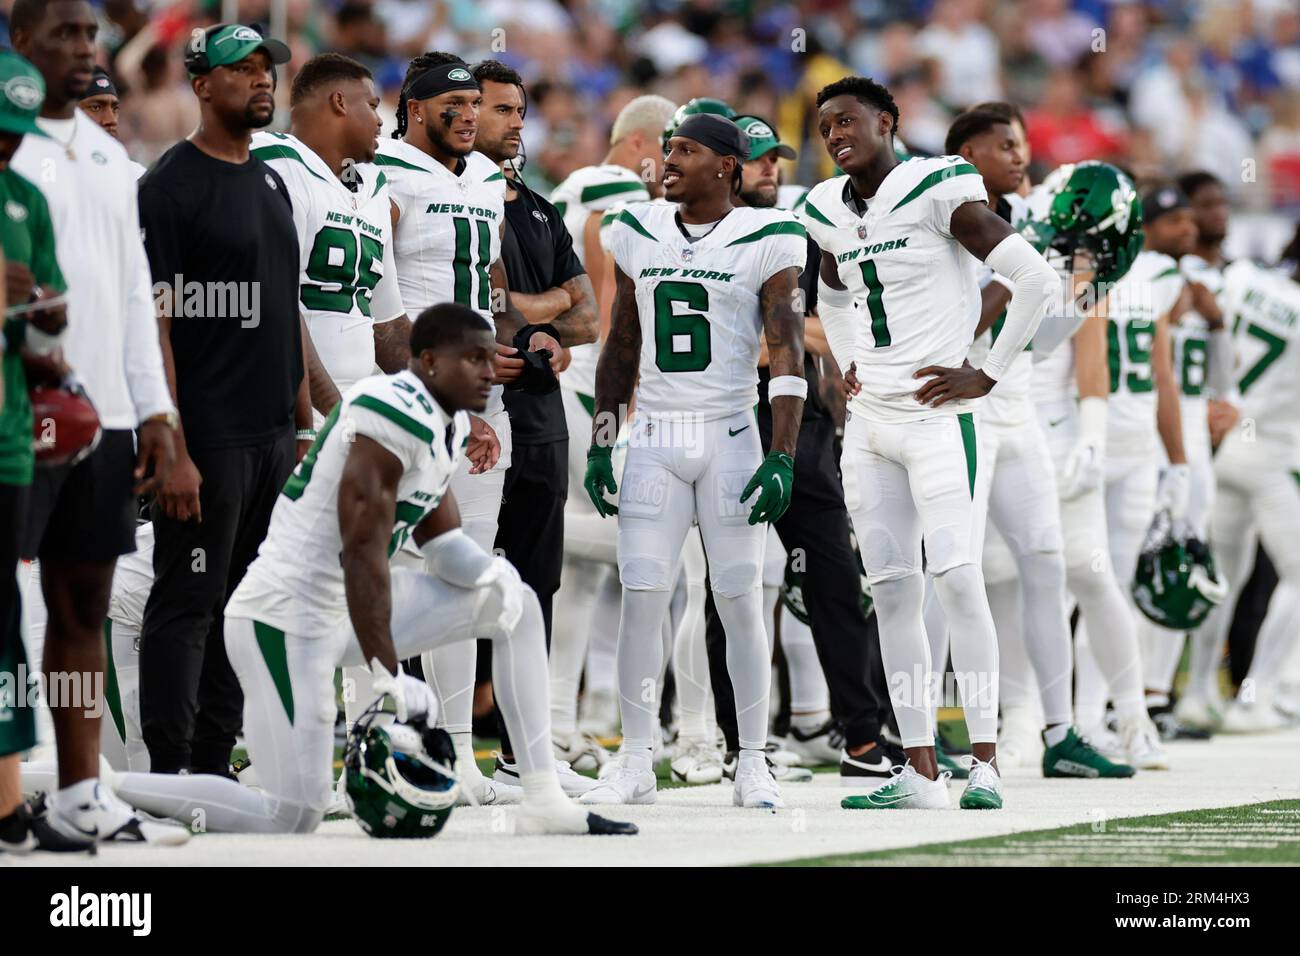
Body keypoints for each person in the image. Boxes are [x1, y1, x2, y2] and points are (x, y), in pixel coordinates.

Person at [25, 304, 638, 838]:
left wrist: (490, 575)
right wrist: (388, 672)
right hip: (281, 619)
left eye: (489, 357)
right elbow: (362, 551)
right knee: (292, 815)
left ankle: (542, 798)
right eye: (472, 359)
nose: (488, 371)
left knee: (516, 604)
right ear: (426, 361)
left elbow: (443, 545)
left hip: (337, 610)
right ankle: (88, 785)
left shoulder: (447, 423)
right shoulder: (389, 407)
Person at [799, 76, 1057, 811]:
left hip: (942, 418)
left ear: (887, 121)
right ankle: (918, 769)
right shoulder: (823, 205)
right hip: (872, 426)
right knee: (891, 593)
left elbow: (1033, 278)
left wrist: (986, 371)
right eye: (826, 126)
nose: (836, 134)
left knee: (958, 579)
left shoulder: (936, 184)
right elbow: (833, 294)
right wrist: (848, 361)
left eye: (848, 120)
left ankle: (985, 763)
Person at [579, 113, 808, 810]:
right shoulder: (636, 227)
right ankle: (638, 758)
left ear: (727, 167)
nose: (669, 160)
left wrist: (783, 455)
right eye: (668, 147)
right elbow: (620, 343)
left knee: (740, 599)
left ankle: (752, 758)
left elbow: (790, 352)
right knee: (644, 595)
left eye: (686, 150)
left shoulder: (769, 235)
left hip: (733, 431)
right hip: (654, 433)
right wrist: (601, 438)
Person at [11, 0, 179, 845]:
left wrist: (155, 414)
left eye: (89, 34)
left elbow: (134, 297)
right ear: (20, 43)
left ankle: (80, 792)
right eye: (63, 35)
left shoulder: (113, 157)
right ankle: (12, 787)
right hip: (22, 410)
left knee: (84, 608)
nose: (82, 48)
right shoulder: (9, 148)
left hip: (106, 416)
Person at [375, 52, 561, 805]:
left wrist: (512, 349)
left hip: (478, 398)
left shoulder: (485, 179)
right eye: (450, 100)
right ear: (414, 108)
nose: (465, 112)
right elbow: (377, 291)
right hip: (407, 394)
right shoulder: (383, 172)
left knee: (466, 575)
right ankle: (375, 737)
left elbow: (483, 288)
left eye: (470, 100)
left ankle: (459, 754)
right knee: (393, 570)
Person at [698, 114, 902, 785]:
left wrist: (801, 342)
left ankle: (863, 736)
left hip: (804, 426)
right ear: (726, 165)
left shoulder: (798, 234)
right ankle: (735, 742)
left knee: (838, 580)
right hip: (732, 421)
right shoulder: (702, 236)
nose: (770, 170)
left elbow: (820, 332)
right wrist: (792, 335)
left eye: (775, 160)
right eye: (756, 159)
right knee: (733, 588)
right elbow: (761, 338)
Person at [135, 23, 308, 777]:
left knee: (246, 604)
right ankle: (169, 768)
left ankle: (214, 760)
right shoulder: (169, 187)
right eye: (243, 70)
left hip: (271, 433)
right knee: (189, 600)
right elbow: (155, 323)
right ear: (203, 85)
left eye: (268, 69)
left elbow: (285, 309)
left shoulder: (269, 178)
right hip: (209, 435)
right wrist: (170, 443)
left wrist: (304, 427)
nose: (261, 81)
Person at [946, 104, 1132, 777]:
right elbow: (968, 323)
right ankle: (956, 735)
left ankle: (1060, 733)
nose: (1022, 156)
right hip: (960, 410)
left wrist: (1083, 290)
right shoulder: (945, 218)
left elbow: (1038, 336)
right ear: (968, 154)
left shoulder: (1029, 222)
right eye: (1006, 144)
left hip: (1016, 403)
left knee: (1047, 565)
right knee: (957, 571)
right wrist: (1031, 263)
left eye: (1023, 143)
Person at [464, 60, 601, 794]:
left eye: (520, 110)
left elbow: (587, 316)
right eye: (499, 110)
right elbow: (482, 298)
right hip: (473, 415)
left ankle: (526, 755)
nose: (517, 122)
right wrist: (535, 310)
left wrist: (532, 317)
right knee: (456, 579)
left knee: (535, 584)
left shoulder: (541, 210)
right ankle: (443, 739)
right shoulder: (449, 197)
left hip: (540, 417)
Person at [547, 93, 677, 762]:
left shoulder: (565, 187)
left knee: (582, 570)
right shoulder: (615, 189)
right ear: (638, 148)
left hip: (564, 388)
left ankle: (565, 720)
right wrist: (621, 393)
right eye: (670, 150)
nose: (675, 166)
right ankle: (629, 719)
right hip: (593, 388)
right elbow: (609, 294)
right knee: (643, 555)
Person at [0, 49, 90, 854]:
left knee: (6, 619)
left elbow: (54, 316)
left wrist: (31, 305)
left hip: (11, 440)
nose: (5, 146)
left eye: (13, 134)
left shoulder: (25, 195)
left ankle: (5, 806)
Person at [1069, 185, 1193, 760]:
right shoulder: (1072, 271)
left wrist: (1179, 460)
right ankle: (1079, 721)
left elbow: (1164, 377)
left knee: (1115, 586)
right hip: (1083, 443)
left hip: (1138, 450)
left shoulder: (1157, 278)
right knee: (1085, 586)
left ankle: (1119, 719)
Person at [1191, 237, 1300, 731]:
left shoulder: (1243, 278)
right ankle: (1257, 697)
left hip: (1226, 443)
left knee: (1221, 580)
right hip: (1276, 453)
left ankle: (1196, 693)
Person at [78, 66, 146, 178]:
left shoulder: (135, 176)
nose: (111, 120)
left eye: (114, 109)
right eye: (96, 107)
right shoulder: (53, 168)